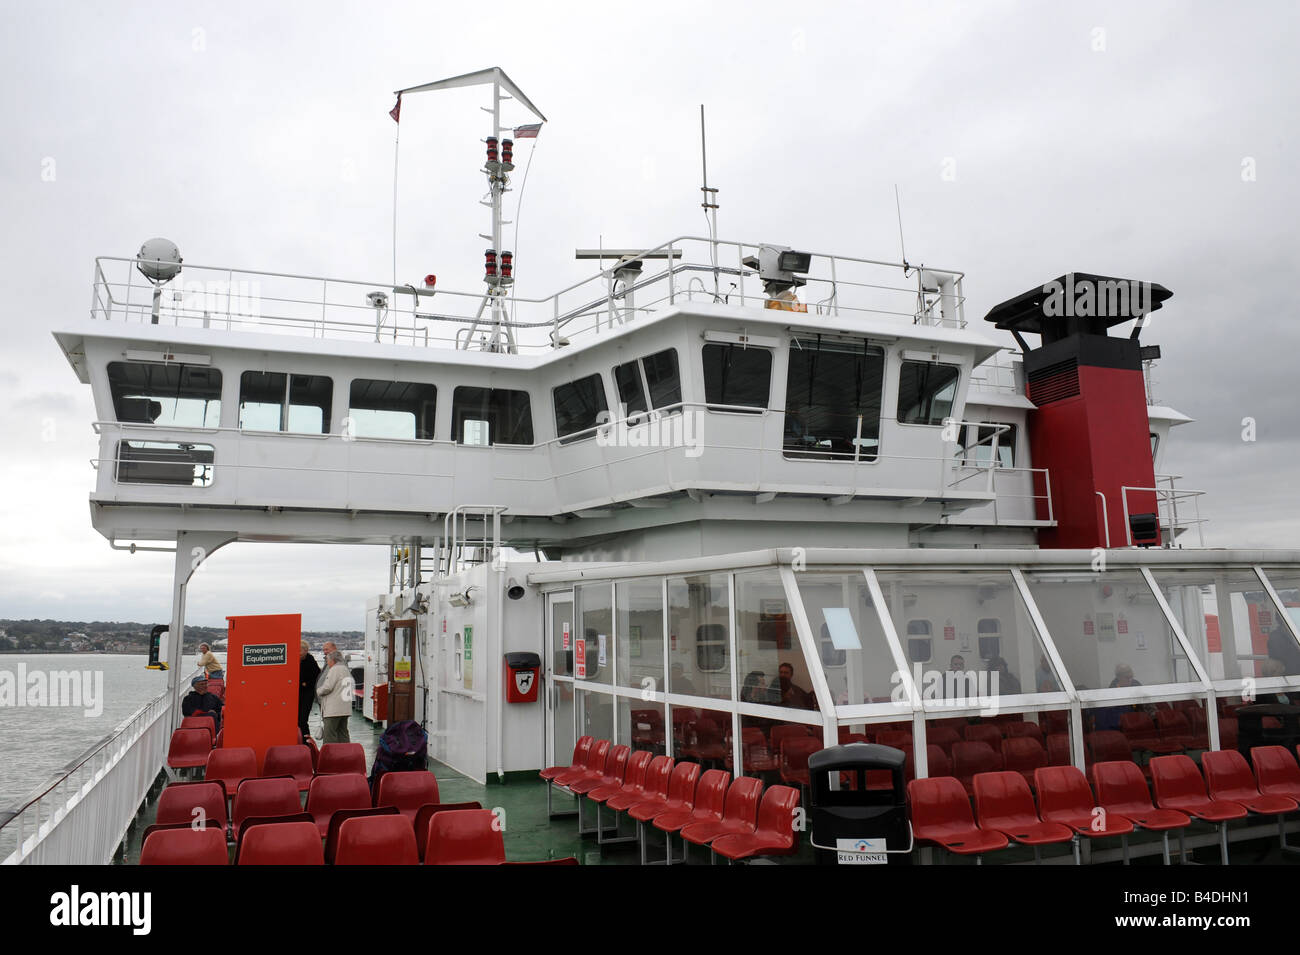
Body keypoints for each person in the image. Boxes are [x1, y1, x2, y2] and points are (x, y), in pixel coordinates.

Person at [317, 650, 353, 743]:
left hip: (334, 710)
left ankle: (330, 756)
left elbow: (327, 687)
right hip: (345, 709)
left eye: (328, 661)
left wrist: (318, 691)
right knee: (343, 734)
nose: (327, 663)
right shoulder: (345, 669)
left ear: (332, 660)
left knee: (330, 736)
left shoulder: (334, 669)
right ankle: (345, 755)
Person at [298, 640, 320, 741]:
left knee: (303, 720)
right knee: (296, 719)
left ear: (306, 650)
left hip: (307, 693)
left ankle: (307, 742)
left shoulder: (310, 661)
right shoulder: (295, 660)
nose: (298, 652)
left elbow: (317, 676)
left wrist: (306, 683)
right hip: (297, 693)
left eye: (300, 650)